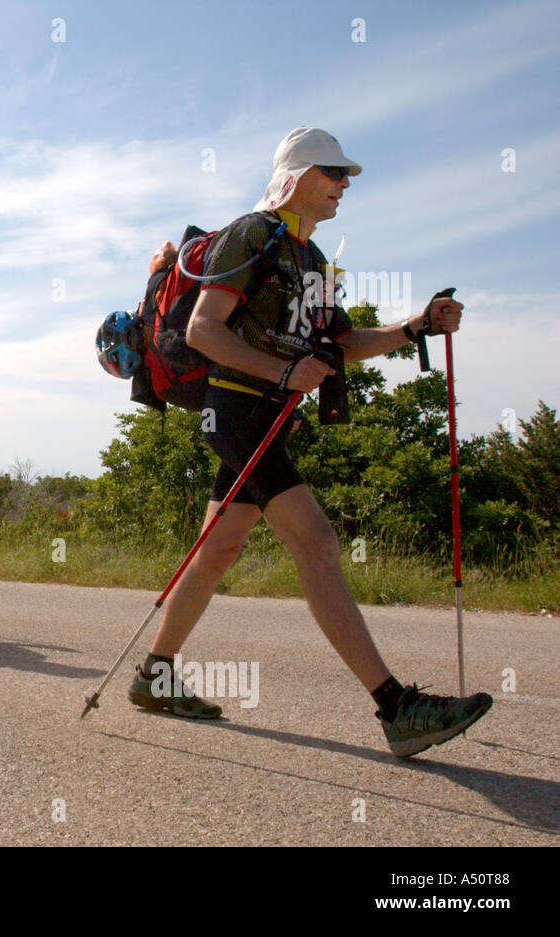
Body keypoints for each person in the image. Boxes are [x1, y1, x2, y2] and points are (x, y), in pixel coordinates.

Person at [127, 127, 493, 757]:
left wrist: (414, 326)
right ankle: (396, 708)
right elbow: (204, 330)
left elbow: (343, 343)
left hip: (266, 415)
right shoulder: (252, 235)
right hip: (238, 410)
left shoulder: (314, 261)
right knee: (318, 543)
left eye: (348, 175)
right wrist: (285, 372)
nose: (345, 185)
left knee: (220, 549)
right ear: (297, 177)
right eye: (334, 173)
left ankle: (153, 676)